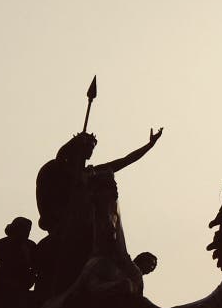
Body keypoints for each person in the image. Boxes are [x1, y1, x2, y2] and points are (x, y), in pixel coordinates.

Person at [33, 128, 163, 299]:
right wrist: (77, 141)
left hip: (89, 222)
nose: (90, 152)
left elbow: (125, 161)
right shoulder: (59, 170)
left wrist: (149, 145)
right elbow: (60, 157)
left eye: (92, 149)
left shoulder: (92, 172)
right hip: (66, 222)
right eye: (87, 148)